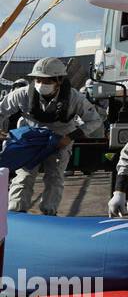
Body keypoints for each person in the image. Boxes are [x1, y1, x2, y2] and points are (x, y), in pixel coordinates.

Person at [0, 57, 103, 215]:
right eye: (38, 79)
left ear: (59, 80)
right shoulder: (21, 95)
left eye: (47, 80)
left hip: (61, 138)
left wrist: (70, 137)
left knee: (54, 177)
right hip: (31, 139)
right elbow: (1, 111)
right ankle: (16, 212)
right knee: (24, 176)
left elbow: (94, 120)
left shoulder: (75, 98)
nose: (42, 83)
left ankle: (49, 213)